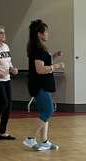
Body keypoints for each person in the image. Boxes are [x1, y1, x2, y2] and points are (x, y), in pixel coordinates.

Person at [24, 19, 64, 151]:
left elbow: (43, 62)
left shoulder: (39, 49)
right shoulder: (38, 49)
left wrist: (53, 56)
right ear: (39, 34)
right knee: (49, 110)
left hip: (42, 84)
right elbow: (40, 69)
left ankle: (45, 141)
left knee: (44, 112)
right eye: (46, 32)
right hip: (39, 85)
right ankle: (30, 138)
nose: (48, 34)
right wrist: (56, 66)